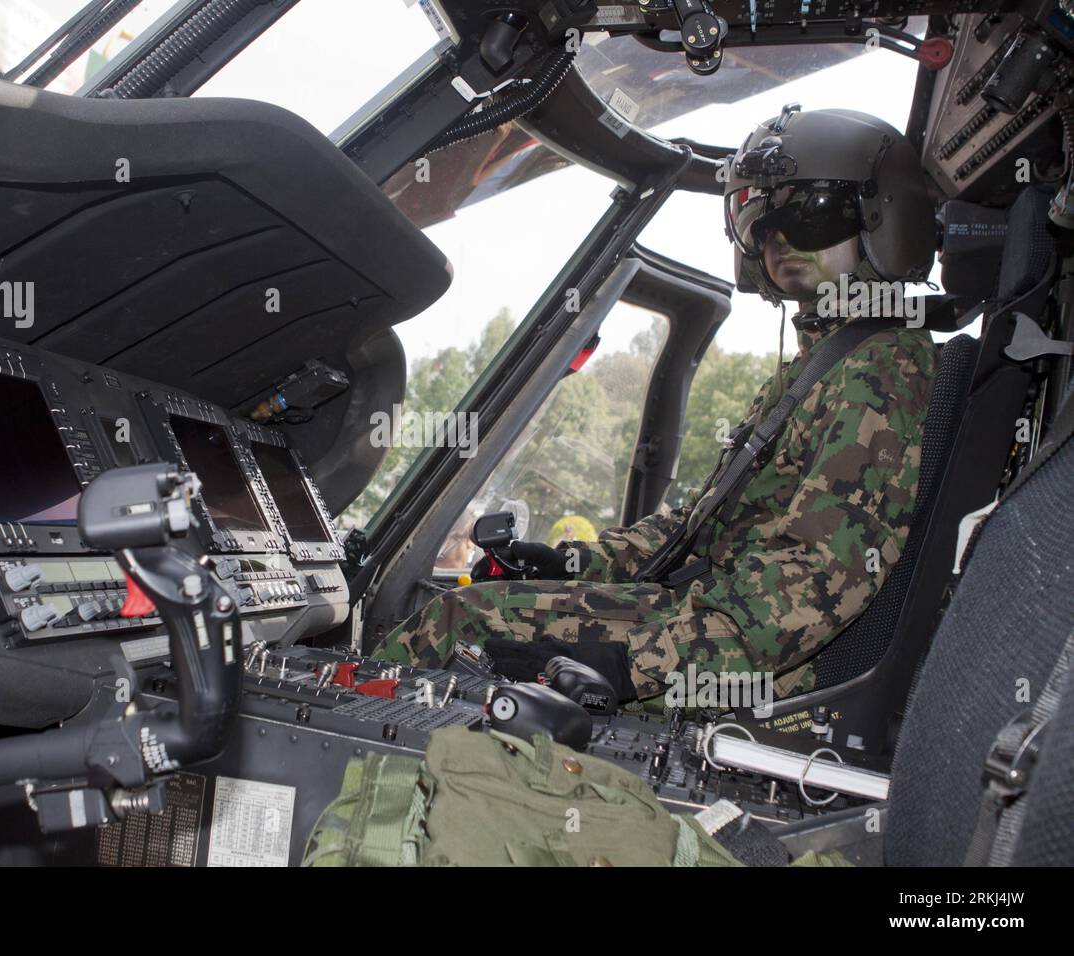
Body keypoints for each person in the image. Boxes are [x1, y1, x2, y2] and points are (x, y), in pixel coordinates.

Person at [373, 106, 940, 703]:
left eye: (809, 216)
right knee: (465, 612)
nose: (779, 244)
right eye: (760, 223)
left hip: (749, 670)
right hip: (709, 624)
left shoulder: (882, 367)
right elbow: (690, 530)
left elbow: (818, 580)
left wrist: (629, 666)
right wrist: (567, 564)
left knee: (459, 625)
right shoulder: (821, 365)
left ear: (884, 222)